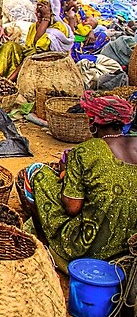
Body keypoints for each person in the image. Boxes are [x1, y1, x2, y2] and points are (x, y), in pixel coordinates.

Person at [27, 93, 137, 269]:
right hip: (130, 246)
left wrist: (65, 172)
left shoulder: (85, 151)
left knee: (37, 174)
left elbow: (72, 207)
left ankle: (46, 245)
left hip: (89, 246)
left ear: (93, 123)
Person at [0, 0, 73, 81]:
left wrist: (46, 18)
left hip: (43, 65)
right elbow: (28, 49)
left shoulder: (59, 28)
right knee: (9, 46)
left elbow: (39, 46)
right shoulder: (33, 26)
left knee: (31, 56)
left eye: (42, 12)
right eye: (37, 11)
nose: (38, 15)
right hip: (27, 60)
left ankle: (9, 81)